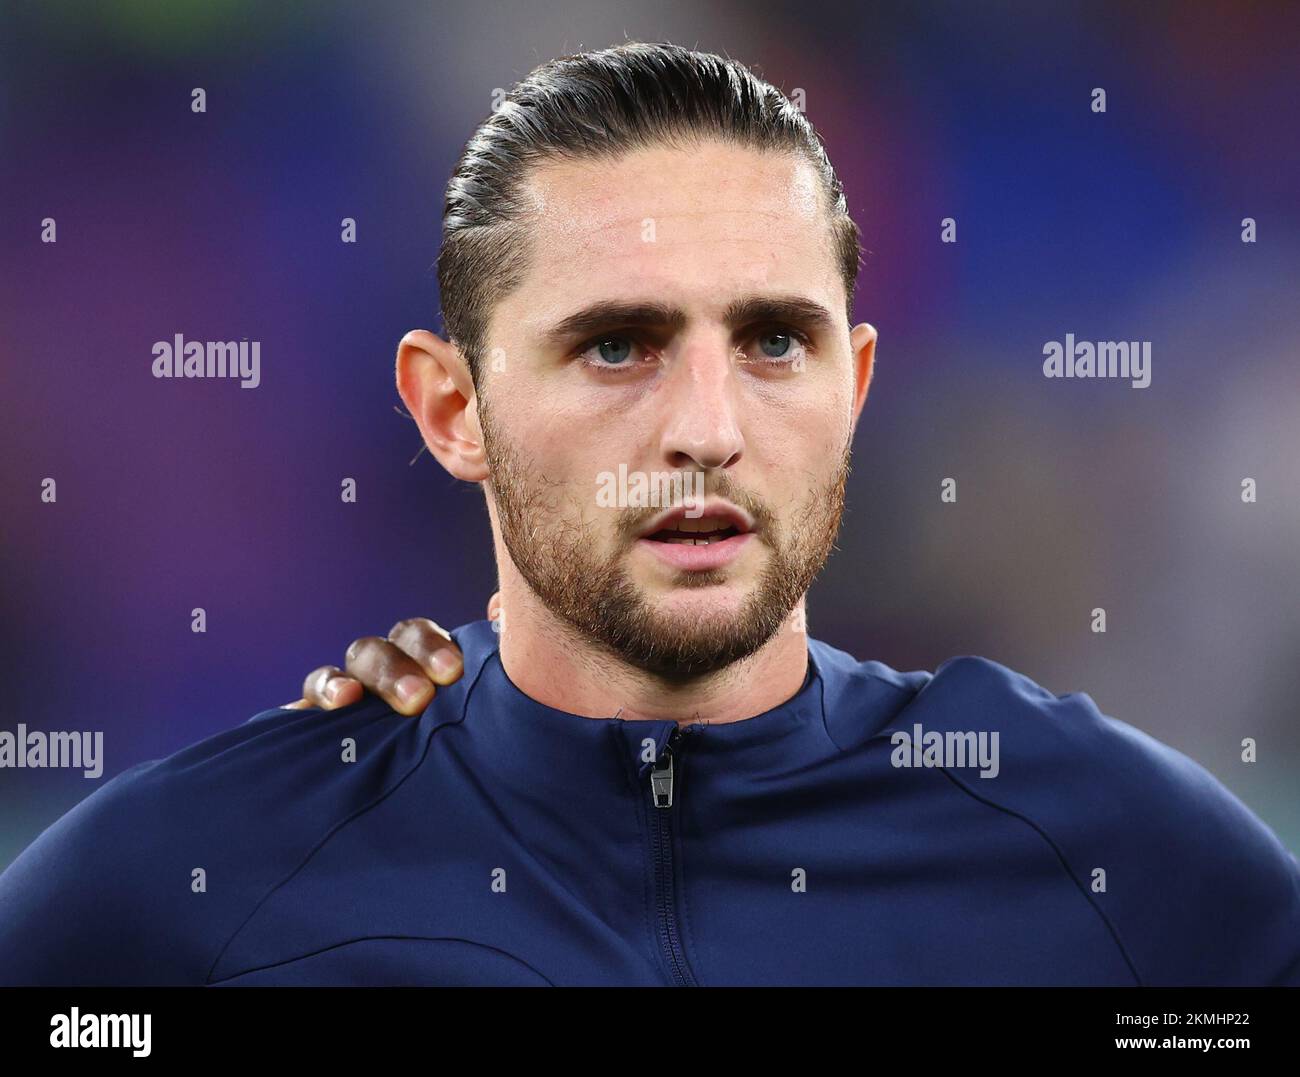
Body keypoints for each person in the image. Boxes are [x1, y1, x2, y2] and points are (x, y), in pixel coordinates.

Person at [2, 42, 1297, 987]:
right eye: (619, 344)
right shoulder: (192, 880)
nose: (706, 425)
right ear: (453, 408)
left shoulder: (1110, 848)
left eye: (774, 341)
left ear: (853, 389)